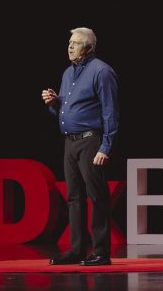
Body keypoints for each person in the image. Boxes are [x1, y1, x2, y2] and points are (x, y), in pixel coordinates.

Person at [41, 27, 120, 266]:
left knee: (97, 197)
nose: (70, 46)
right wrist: (54, 103)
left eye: (75, 43)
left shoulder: (102, 72)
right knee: (74, 198)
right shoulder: (68, 73)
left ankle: (101, 252)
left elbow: (110, 111)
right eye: (69, 42)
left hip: (90, 141)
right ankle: (76, 250)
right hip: (70, 142)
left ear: (88, 47)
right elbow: (66, 110)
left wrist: (105, 147)